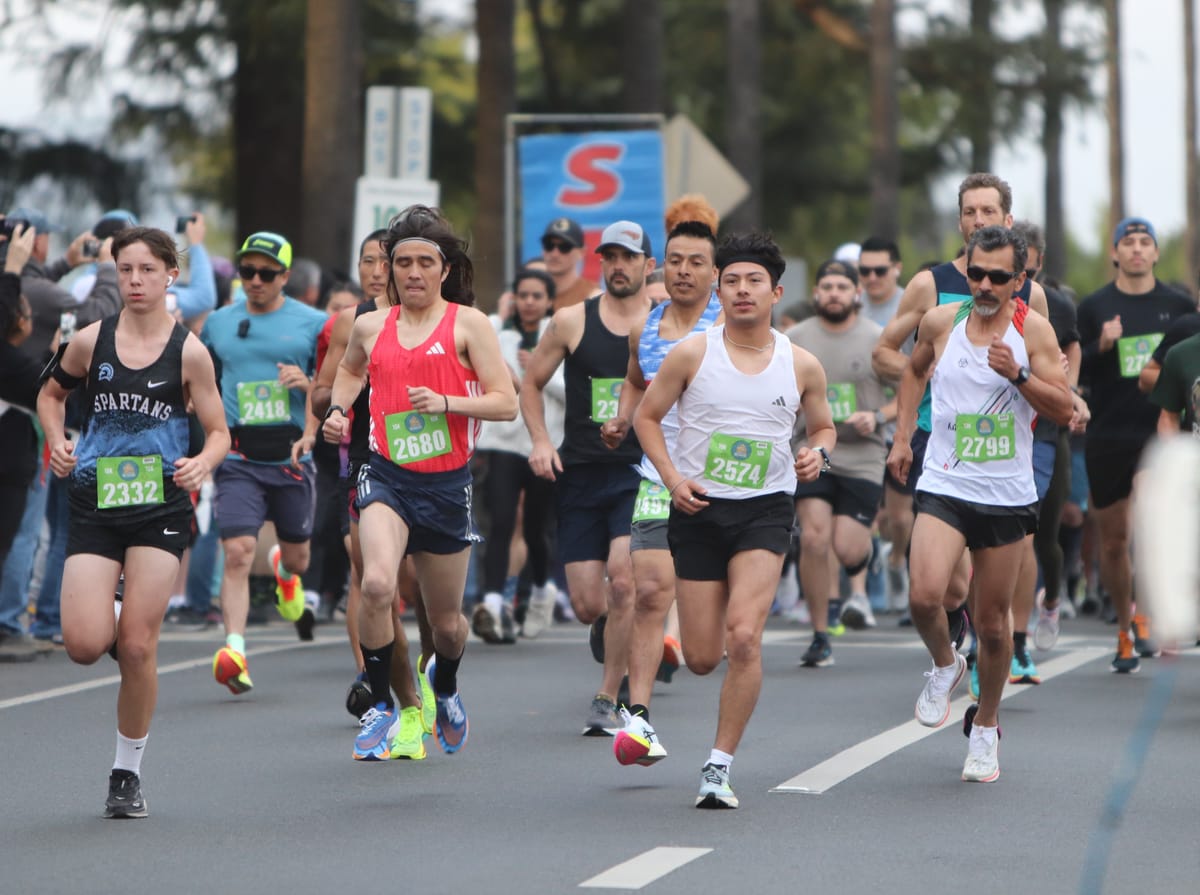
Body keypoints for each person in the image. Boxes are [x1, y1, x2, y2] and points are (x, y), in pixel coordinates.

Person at [633, 230, 835, 808]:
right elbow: (648, 419)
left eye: (754, 282)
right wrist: (673, 480)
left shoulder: (802, 363)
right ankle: (708, 689)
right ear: (718, 291)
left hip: (765, 512)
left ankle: (718, 767)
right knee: (701, 657)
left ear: (775, 292)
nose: (742, 291)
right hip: (698, 509)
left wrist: (818, 453)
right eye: (732, 281)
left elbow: (823, 427)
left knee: (744, 637)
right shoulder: (693, 353)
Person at [37, 225, 229, 818]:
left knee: (140, 648)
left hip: (159, 509)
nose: (136, 280)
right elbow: (49, 395)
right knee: (84, 645)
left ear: (171, 275)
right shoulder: (90, 342)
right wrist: (57, 442)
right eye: (126, 270)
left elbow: (221, 432)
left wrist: (201, 462)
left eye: (148, 270)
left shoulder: (189, 351)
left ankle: (127, 772)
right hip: (95, 502)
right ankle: (116, 614)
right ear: (115, 273)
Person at [323, 205, 516, 759]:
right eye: (400, 262)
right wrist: (339, 410)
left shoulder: (468, 325)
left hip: (446, 484)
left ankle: (446, 685)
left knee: (448, 624)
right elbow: (352, 370)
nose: (410, 273)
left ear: (444, 270)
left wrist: (448, 403)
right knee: (378, 585)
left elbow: (505, 403)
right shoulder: (369, 325)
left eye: (423, 263)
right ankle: (383, 704)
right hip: (384, 475)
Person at [887, 225, 1072, 783]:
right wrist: (901, 438)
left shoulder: (1033, 331)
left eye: (998, 276)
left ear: (1020, 278)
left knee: (994, 627)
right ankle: (946, 663)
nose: (985, 285)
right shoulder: (941, 322)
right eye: (976, 273)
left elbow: (1063, 407)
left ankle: (986, 727)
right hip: (945, 482)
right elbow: (913, 371)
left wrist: (1017, 374)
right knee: (924, 595)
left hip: (1007, 496)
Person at [873, 173, 1052, 645]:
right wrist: (929, 371)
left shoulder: (1031, 295)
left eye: (987, 211)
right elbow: (886, 354)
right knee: (944, 580)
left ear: (1007, 220)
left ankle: (1002, 643)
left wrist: (1033, 383)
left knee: (1004, 556)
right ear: (959, 222)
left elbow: (1042, 367)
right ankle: (957, 627)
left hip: (1005, 442)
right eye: (969, 212)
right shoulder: (930, 284)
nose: (978, 219)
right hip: (938, 435)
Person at [520, 219, 654, 736]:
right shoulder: (572, 320)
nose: (619, 266)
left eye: (629, 257)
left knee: (623, 582)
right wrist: (539, 440)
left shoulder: (663, 327)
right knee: (586, 604)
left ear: (648, 265)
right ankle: (609, 632)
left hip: (638, 472)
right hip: (579, 472)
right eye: (611, 257)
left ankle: (607, 694)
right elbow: (530, 384)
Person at [305, 231, 434, 757]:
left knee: (417, 586)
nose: (382, 271)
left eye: (393, 261)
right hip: (369, 462)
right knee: (374, 581)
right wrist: (333, 410)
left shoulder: (448, 318)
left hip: (431, 464)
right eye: (373, 261)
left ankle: (433, 667)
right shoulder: (350, 324)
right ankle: (393, 698)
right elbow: (321, 392)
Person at [599, 219, 722, 767]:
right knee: (648, 591)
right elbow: (635, 379)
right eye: (675, 260)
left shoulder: (734, 325)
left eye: (697, 262)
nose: (685, 271)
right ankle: (639, 719)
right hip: (657, 476)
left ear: (715, 274)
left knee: (707, 650)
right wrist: (623, 419)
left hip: (727, 486)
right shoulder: (644, 329)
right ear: (660, 266)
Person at [200, 232, 327, 693]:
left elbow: (337, 388)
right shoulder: (217, 322)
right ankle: (234, 649)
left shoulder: (315, 323)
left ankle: (285, 575)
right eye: (247, 271)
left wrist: (308, 384)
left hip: (291, 454)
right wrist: (199, 401)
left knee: (299, 558)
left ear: (286, 277)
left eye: (266, 273)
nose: (255, 280)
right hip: (237, 454)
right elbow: (201, 372)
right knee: (235, 552)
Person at [1076, 216, 1194, 672]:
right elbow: (1072, 368)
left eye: (1147, 242)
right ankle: (1124, 626)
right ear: (1115, 253)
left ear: (1157, 253)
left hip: (1158, 432)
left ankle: (1145, 616)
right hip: (1107, 433)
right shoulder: (1095, 306)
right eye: (1129, 242)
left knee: (1146, 522)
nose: (1138, 249)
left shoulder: (1178, 306)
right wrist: (1100, 346)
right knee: (1113, 541)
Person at [786, 260, 889, 666]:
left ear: (856, 294)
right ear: (816, 293)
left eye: (841, 287)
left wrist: (879, 416)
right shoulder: (794, 338)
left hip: (863, 454)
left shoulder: (878, 339)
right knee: (813, 538)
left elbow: (911, 391)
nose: (833, 293)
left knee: (846, 548)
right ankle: (819, 632)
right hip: (812, 450)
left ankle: (865, 555)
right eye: (826, 286)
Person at [473, 267, 564, 642]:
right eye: (522, 295)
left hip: (544, 445)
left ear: (548, 303)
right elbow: (476, 339)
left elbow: (572, 395)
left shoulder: (558, 335)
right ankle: (493, 603)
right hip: (503, 443)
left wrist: (538, 375)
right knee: (502, 521)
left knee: (536, 528)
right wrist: (499, 312)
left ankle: (542, 588)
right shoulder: (499, 331)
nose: (528, 302)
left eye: (536, 296)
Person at [856, 236, 911, 615]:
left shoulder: (911, 305)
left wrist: (885, 416)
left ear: (897, 269)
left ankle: (897, 562)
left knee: (899, 517)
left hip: (899, 423)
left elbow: (917, 375)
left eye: (880, 270)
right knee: (858, 512)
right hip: (855, 431)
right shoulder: (848, 304)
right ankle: (860, 592)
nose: (872, 278)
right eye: (864, 271)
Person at [0, 223, 44, 663]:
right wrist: (11, 269)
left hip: (15, 469)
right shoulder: (16, 364)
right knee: (10, 543)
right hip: (11, 472)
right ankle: (7, 623)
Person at [540, 217, 598, 309]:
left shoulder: (592, 296)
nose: (555, 254)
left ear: (582, 252)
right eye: (549, 246)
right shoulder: (530, 294)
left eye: (565, 247)